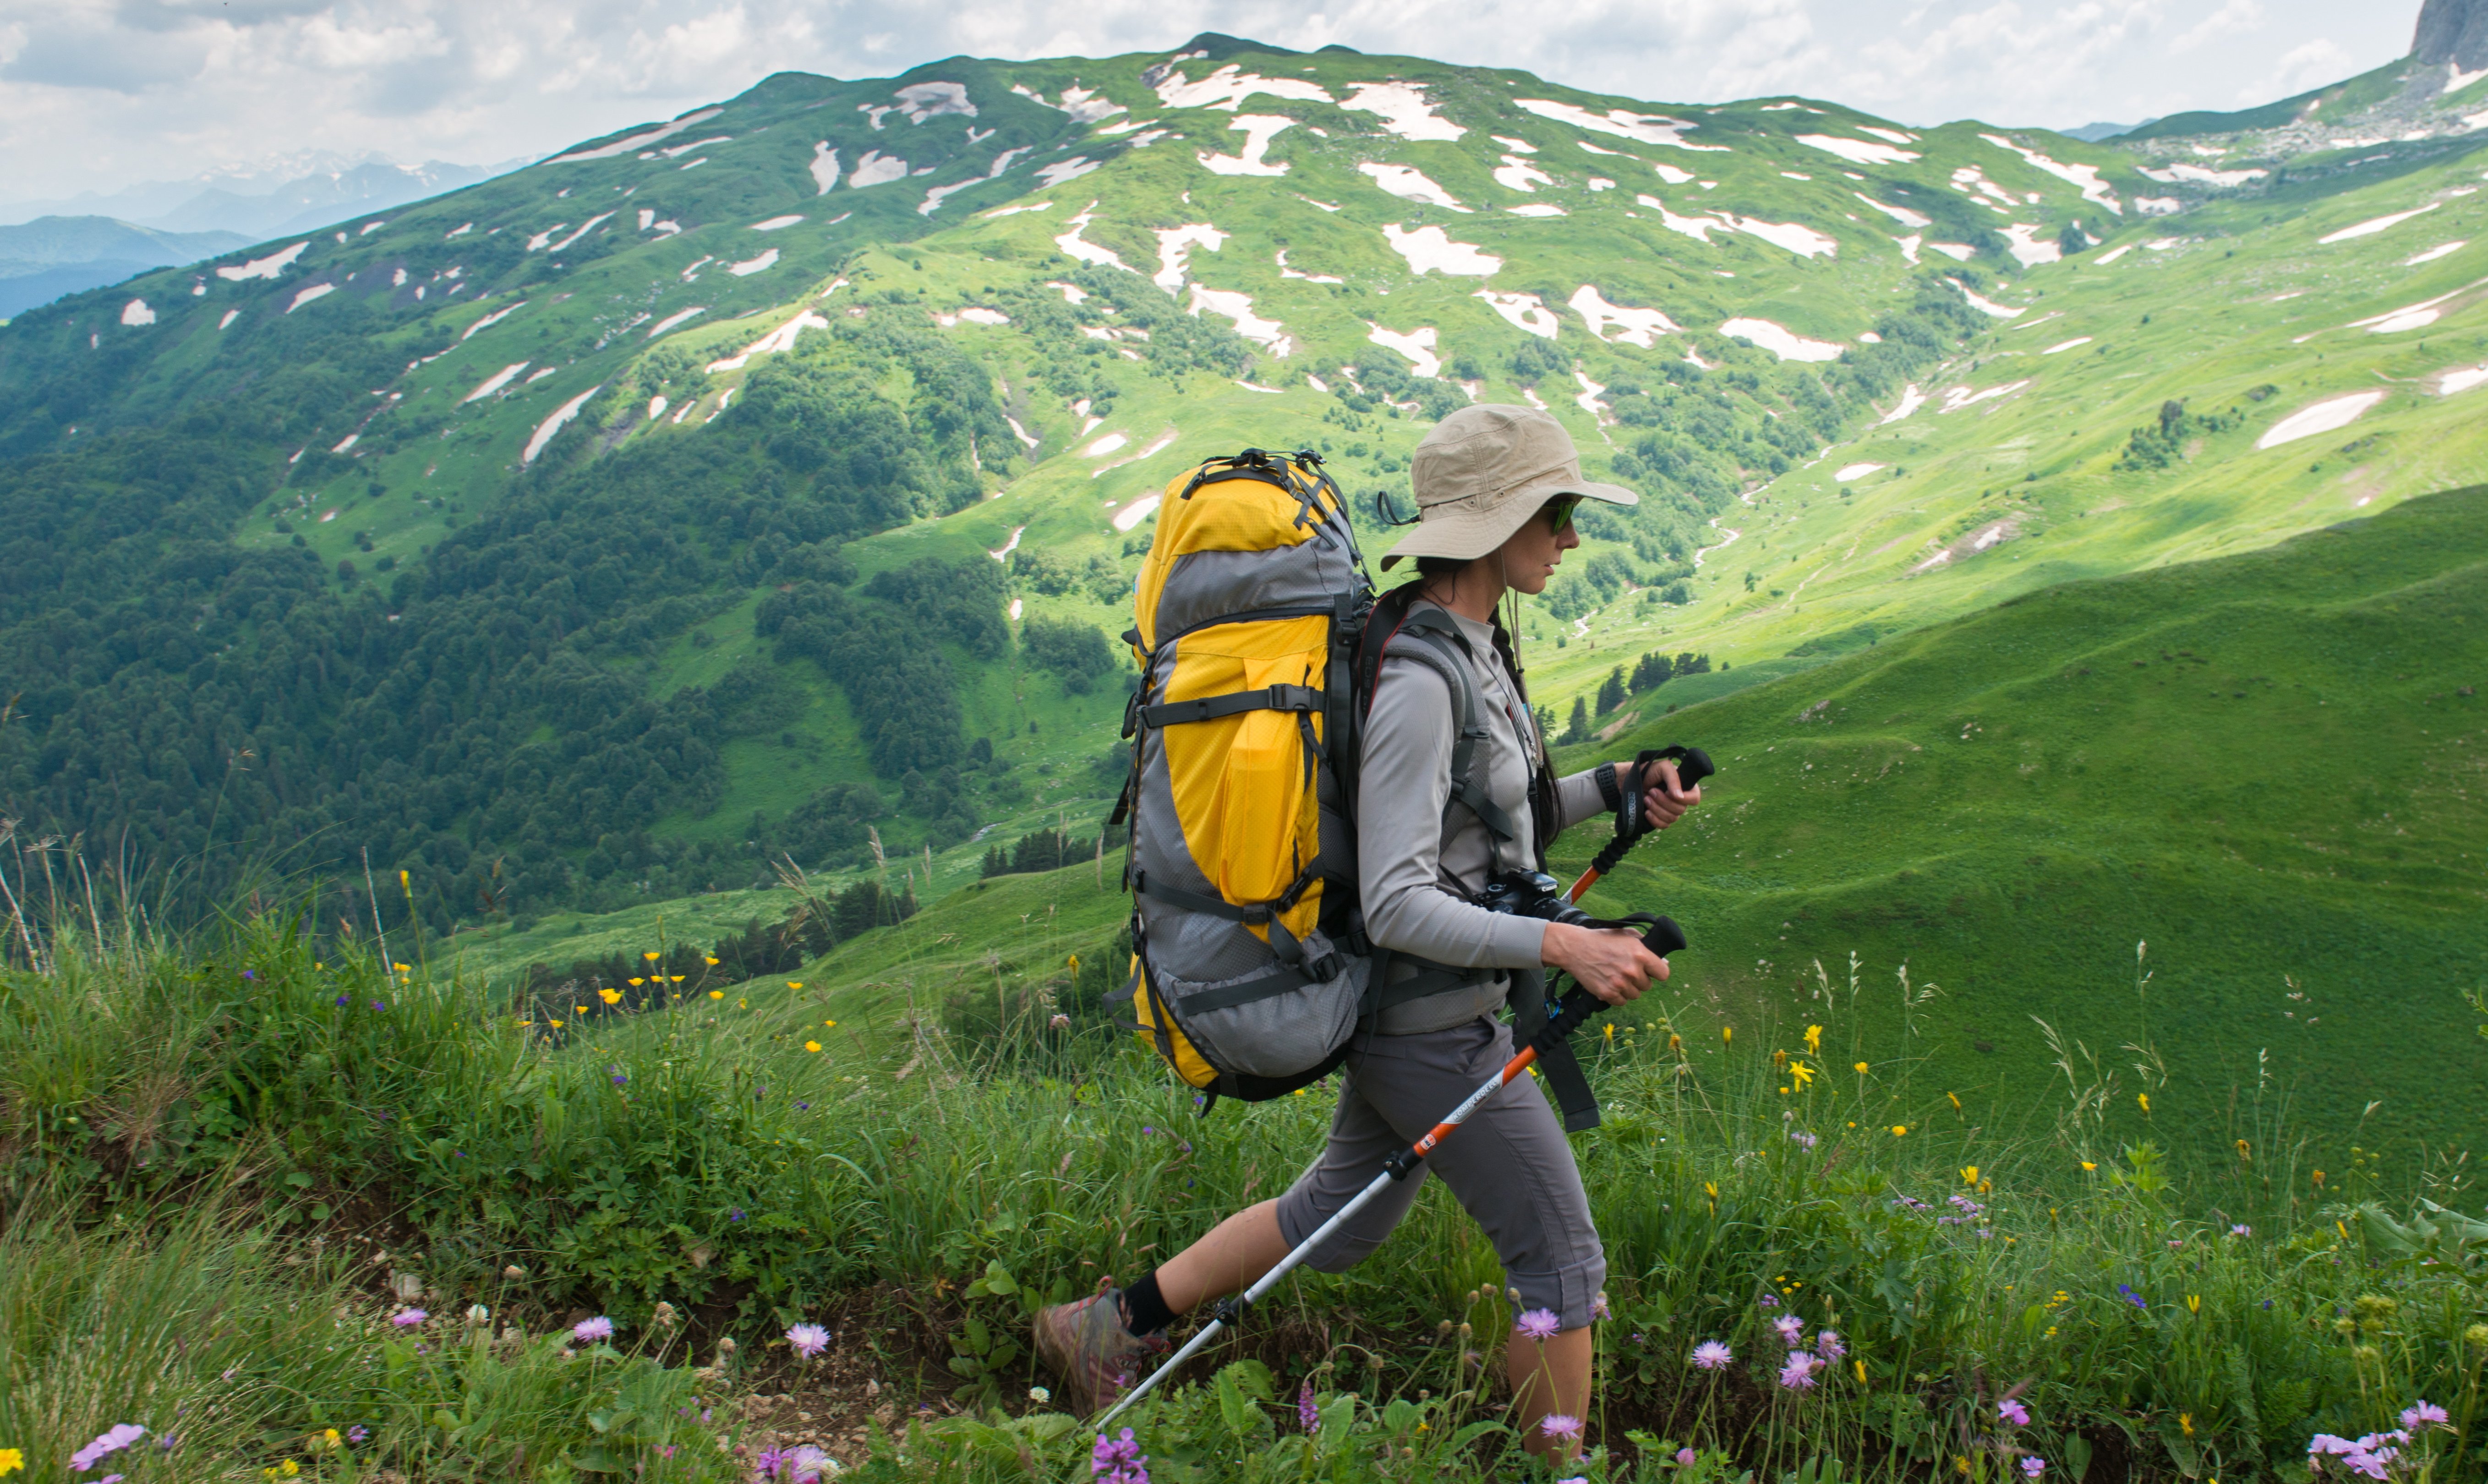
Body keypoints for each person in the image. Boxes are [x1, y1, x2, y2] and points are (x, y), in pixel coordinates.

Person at [1035, 404, 1702, 1463]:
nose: (1570, 537)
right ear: (1495, 523)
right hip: (1427, 1026)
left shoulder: (1466, 645)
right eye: (1558, 512)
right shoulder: (1423, 679)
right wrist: (1568, 947)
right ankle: (1560, 1467)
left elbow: (1483, 825)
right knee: (1560, 1256)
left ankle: (1101, 1328)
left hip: (1431, 1009)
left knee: (1339, 1217)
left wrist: (1617, 787)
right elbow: (1396, 901)